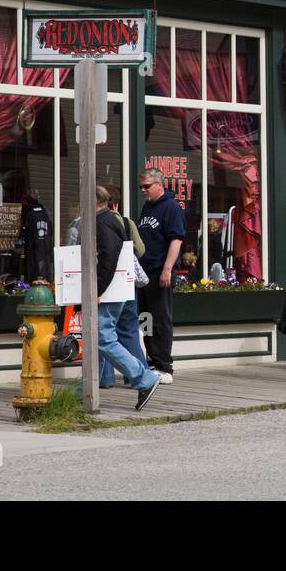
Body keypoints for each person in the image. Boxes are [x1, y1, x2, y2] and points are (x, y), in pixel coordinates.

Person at [93, 186, 161, 410]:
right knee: (111, 335)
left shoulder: (102, 222)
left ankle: (144, 378)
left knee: (103, 338)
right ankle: (82, 390)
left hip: (111, 289)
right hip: (120, 287)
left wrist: (98, 288)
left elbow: (108, 256)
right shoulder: (113, 220)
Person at [137, 168, 185, 383]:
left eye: (147, 186)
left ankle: (165, 367)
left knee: (161, 319)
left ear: (159, 184)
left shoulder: (171, 207)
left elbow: (176, 239)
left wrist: (167, 268)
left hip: (159, 272)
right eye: (141, 187)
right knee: (146, 320)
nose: (143, 190)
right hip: (144, 274)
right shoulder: (147, 207)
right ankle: (152, 362)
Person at [100, 185, 148, 390]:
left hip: (107, 285)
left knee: (103, 331)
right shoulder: (127, 222)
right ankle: (139, 374)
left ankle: (105, 378)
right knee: (128, 330)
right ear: (116, 203)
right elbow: (141, 249)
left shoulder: (100, 221)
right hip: (127, 284)